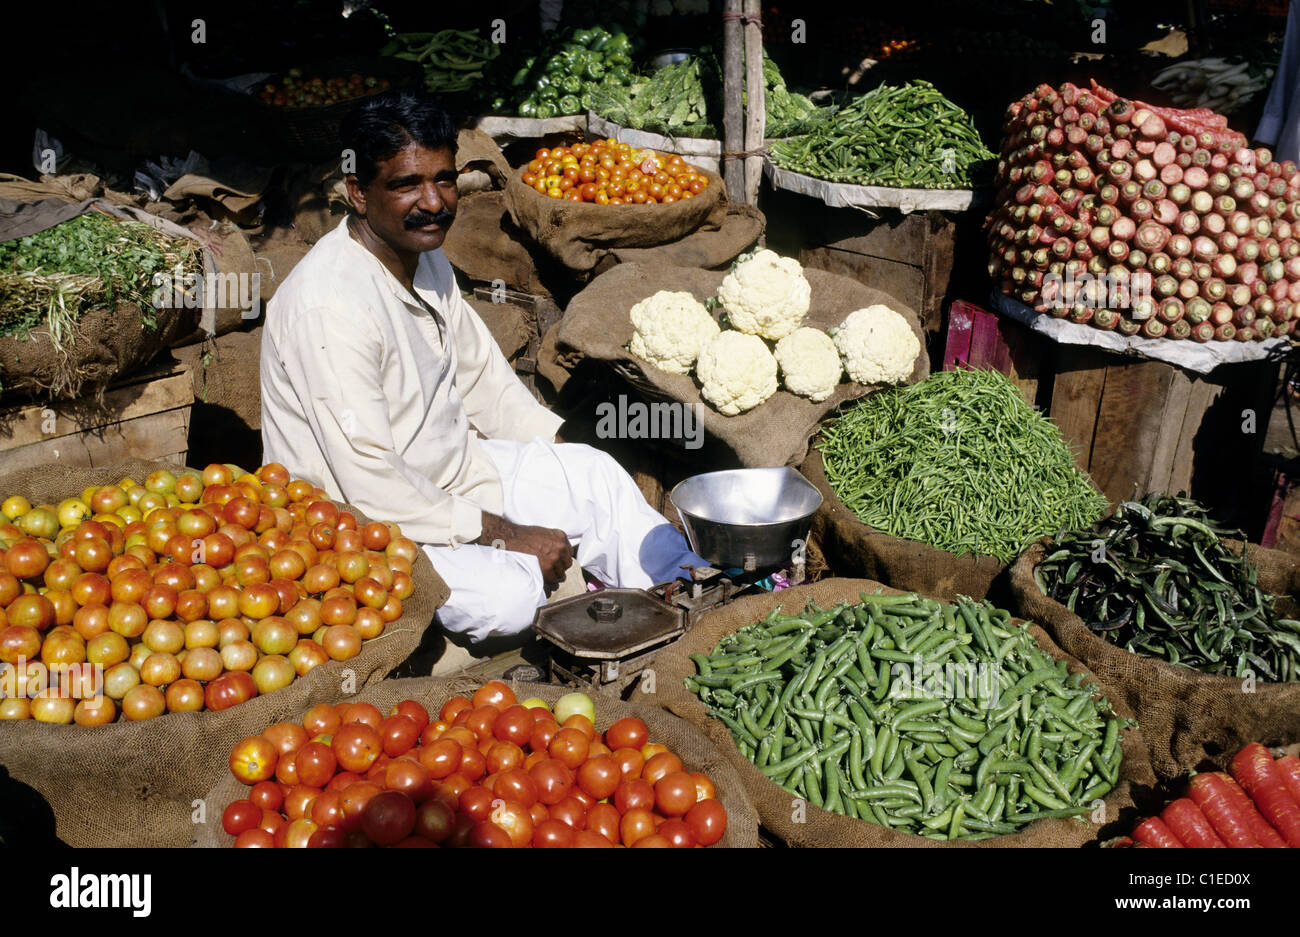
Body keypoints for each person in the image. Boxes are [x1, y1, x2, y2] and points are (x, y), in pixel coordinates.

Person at [259, 91, 705, 643]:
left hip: (453, 476)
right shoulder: (329, 305)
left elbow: (485, 384)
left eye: (444, 180)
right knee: (507, 597)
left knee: (595, 475)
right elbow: (366, 477)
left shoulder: (425, 257)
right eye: (406, 185)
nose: (433, 202)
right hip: (361, 520)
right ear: (357, 192)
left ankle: (689, 592)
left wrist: (558, 453)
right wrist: (507, 535)